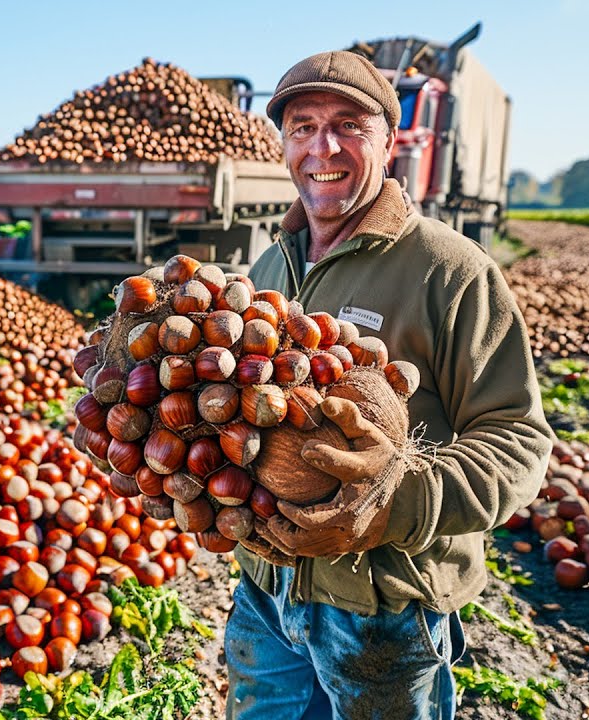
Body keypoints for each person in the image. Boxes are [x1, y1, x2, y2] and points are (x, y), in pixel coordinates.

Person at [224, 50, 553, 719]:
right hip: (267, 593)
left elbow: (519, 439)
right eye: (304, 127)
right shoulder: (267, 263)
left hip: (384, 609)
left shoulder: (449, 269)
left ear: (390, 140)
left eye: (350, 125)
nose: (324, 147)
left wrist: (397, 500)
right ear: (283, 143)